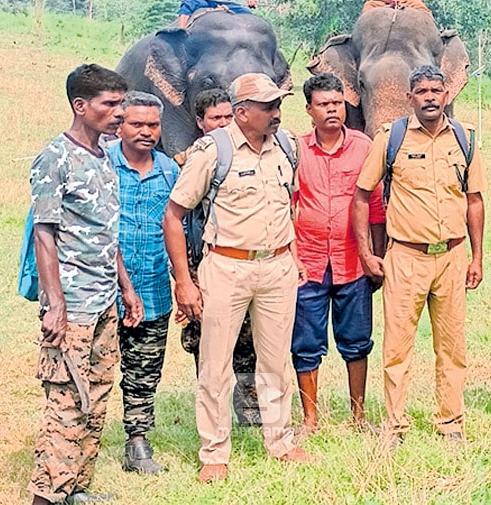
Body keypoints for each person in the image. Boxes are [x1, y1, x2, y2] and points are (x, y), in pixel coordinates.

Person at [162, 73, 312, 483]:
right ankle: (214, 452)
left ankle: (279, 441)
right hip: (226, 267)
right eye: (268, 107)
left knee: (276, 361)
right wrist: (184, 281)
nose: (277, 113)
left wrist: (293, 257)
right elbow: (173, 217)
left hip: (277, 267)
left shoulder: (286, 147)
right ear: (242, 112)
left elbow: (288, 206)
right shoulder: (213, 151)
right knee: (215, 364)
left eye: (279, 105)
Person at [352, 65, 486, 449]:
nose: (429, 97)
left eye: (436, 90)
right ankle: (394, 425)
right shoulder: (391, 138)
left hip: (452, 257)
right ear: (410, 97)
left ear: (447, 95)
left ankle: (450, 422)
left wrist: (477, 258)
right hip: (405, 257)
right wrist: (366, 252)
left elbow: (475, 202)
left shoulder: (465, 139)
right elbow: (363, 194)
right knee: (397, 347)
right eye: (422, 91)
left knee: (452, 345)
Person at [28, 64, 144, 505]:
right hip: (71, 304)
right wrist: (54, 303)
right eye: (109, 104)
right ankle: (46, 497)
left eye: (121, 103)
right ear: (81, 106)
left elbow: (105, 232)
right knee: (65, 402)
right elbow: (44, 233)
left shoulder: (104, 156)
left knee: (95, 398)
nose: (119, 113)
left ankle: (77, 489)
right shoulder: (55, 157)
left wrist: (126, 288)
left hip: (103, 302)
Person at [292, 73, 386, 433]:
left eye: (337, 103)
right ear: (309, 109)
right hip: (309, 262)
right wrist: (293, 257)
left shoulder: (364, 147)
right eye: (323, 104)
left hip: (354, 261)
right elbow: (290, 204)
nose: (332, 109)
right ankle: (310, 418)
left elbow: (375, 206)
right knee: (305, 342)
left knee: (357, 341)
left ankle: (359, 416)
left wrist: (375, 256)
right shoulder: (296, 149)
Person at [175, 87, 262, 427]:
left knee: (250, 340)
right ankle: (212, 417)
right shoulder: (191, 162)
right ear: (200, 122)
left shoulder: (251, 156)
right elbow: (177, 224)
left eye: (229, 116)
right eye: (216, 119)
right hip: (202, 266)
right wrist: (184, 277)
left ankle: (251, 412)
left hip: (244, 265)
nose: (224, 124)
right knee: (207, 346)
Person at [106, 92, 179, 475]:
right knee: (93, 370)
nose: (146, 132)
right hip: (103, 292)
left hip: (153, 289)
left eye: (153, 125)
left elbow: (179, 228)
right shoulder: (102, 165)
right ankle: (78, 444)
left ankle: (137, 442)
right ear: (120, 125)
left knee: (144, 372)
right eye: (137, 124)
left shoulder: (169, 171)